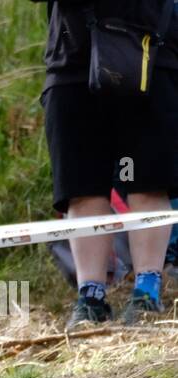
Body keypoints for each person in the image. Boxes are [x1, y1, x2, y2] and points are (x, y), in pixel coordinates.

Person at [30, 0, 178, 328]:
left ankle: (147, 293)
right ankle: (90, 297)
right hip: (72, 54)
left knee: (148, 180)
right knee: (80, 186)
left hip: (149, 49)